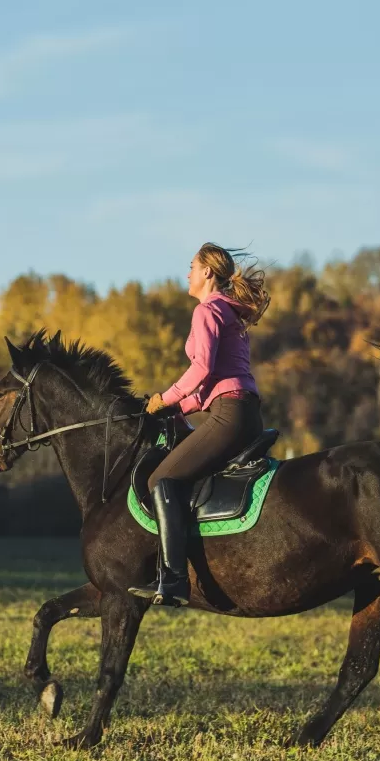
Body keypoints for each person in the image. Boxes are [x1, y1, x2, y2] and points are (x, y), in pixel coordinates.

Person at [128, 243, 272, 606]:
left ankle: (173, 580)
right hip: (242, 411)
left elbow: (201, 370)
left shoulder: (207, 310)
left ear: (207, 272)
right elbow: (213, 383)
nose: (187, 273)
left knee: (161, 479)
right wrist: (178, 410)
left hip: (228, 414)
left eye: (191, 266)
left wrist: (164, 397)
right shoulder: (230, 313)